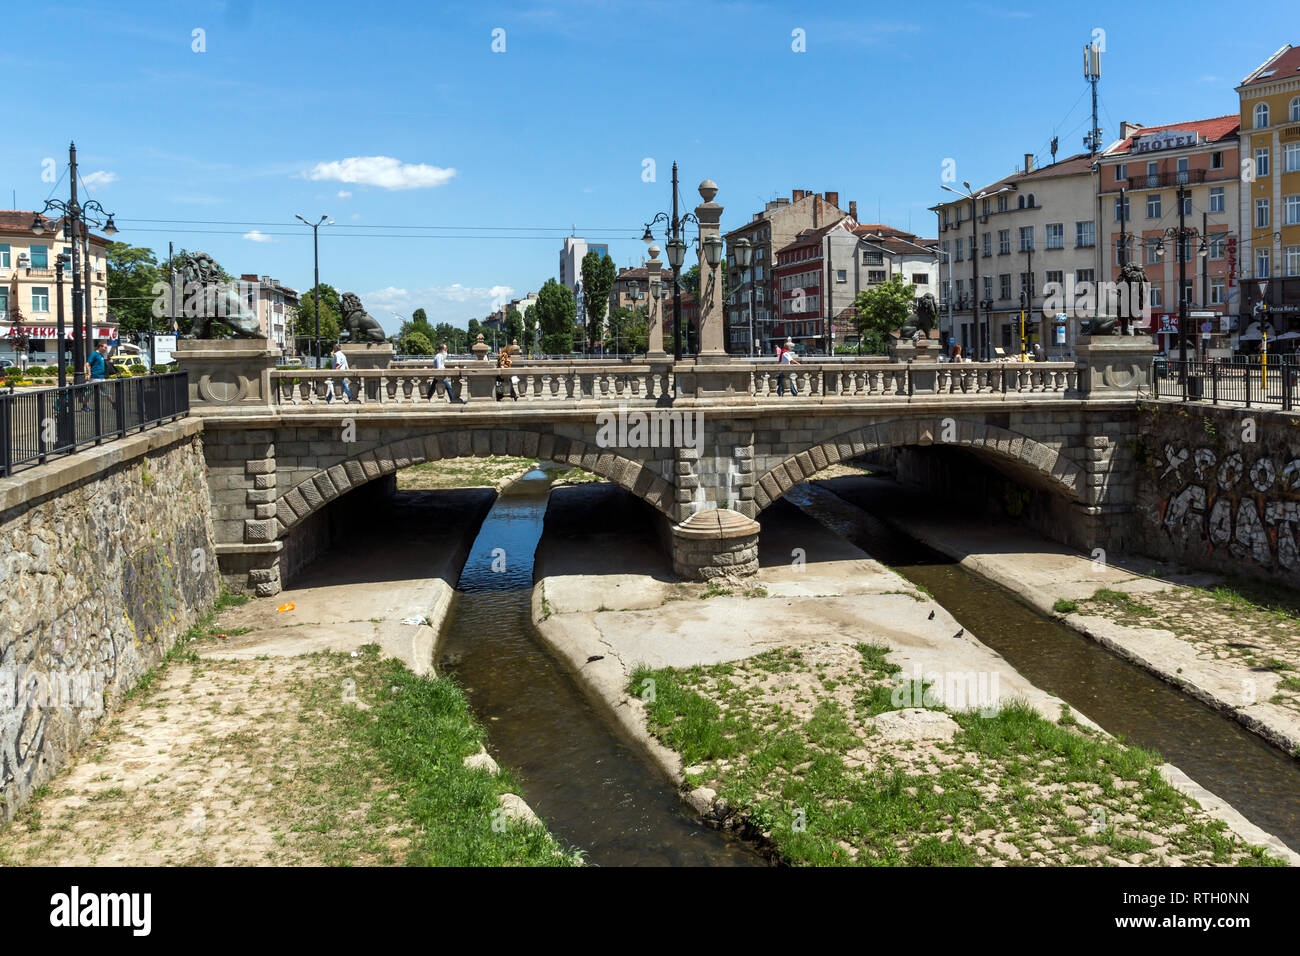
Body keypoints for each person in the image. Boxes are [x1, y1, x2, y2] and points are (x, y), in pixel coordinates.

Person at [82, 342, 111, 411]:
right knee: (89, 392)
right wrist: (89, 374)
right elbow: (87, 364)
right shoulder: (94, 354)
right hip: (95, 377)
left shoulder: (101, 355)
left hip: (101, 377)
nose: (106, 349)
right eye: (105, 347)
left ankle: (113, 403)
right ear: (100, 347)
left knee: (106, 391)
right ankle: (84, 406)